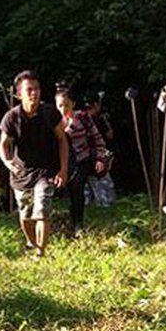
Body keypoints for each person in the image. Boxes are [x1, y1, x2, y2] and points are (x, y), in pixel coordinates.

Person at [0, 70, 69, 256]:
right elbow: (3, 146)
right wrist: (8, 163)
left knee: (42, 209)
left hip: (46, 170)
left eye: (37, 89)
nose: (34, 93)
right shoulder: (12, 117)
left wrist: (63, 170)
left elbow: (62, 140)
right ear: (19, 93)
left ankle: (41, 253)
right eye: (29, 89)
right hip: (21, 172)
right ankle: (32, 242)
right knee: (25, 215)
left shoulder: (50, 113)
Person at [55, 82, 107, 236]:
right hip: (64, 162)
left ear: (73, 104)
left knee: (77, 188)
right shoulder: (54, 122)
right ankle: (70, 222)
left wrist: (100, 158)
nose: (62, 109)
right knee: (69, 192)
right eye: (59, 106)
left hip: (82, 160)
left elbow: (98, 139)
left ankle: (79, 225)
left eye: (66, 105)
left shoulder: (83, 118)